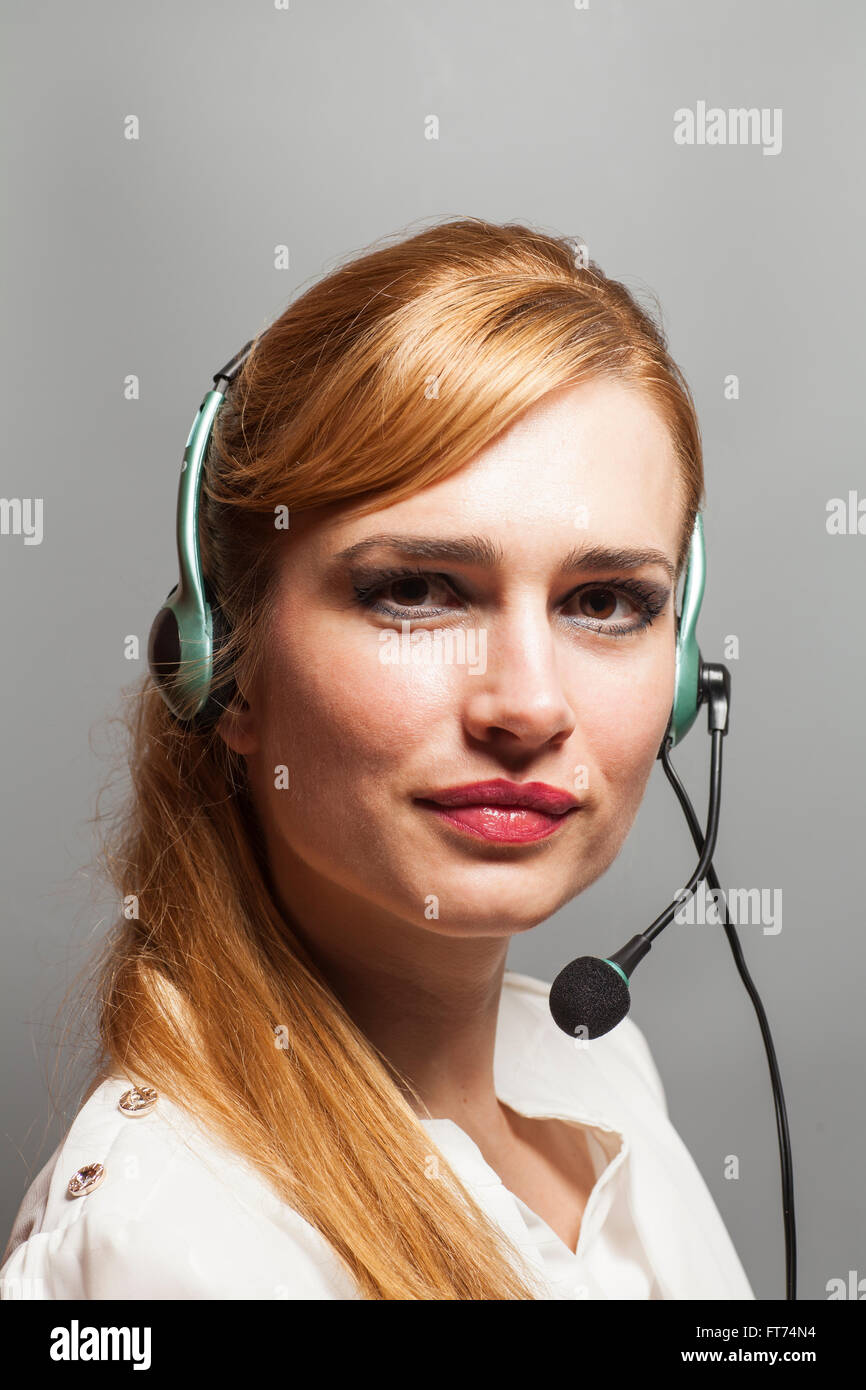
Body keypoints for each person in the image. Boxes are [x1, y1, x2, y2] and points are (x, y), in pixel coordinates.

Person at [0, 218, 754, 1300]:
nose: (528, 705)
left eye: (602, 602)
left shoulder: (587, 1061)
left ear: (678, 674)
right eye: (413, 589)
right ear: (224, 662)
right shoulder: (165, 1254)